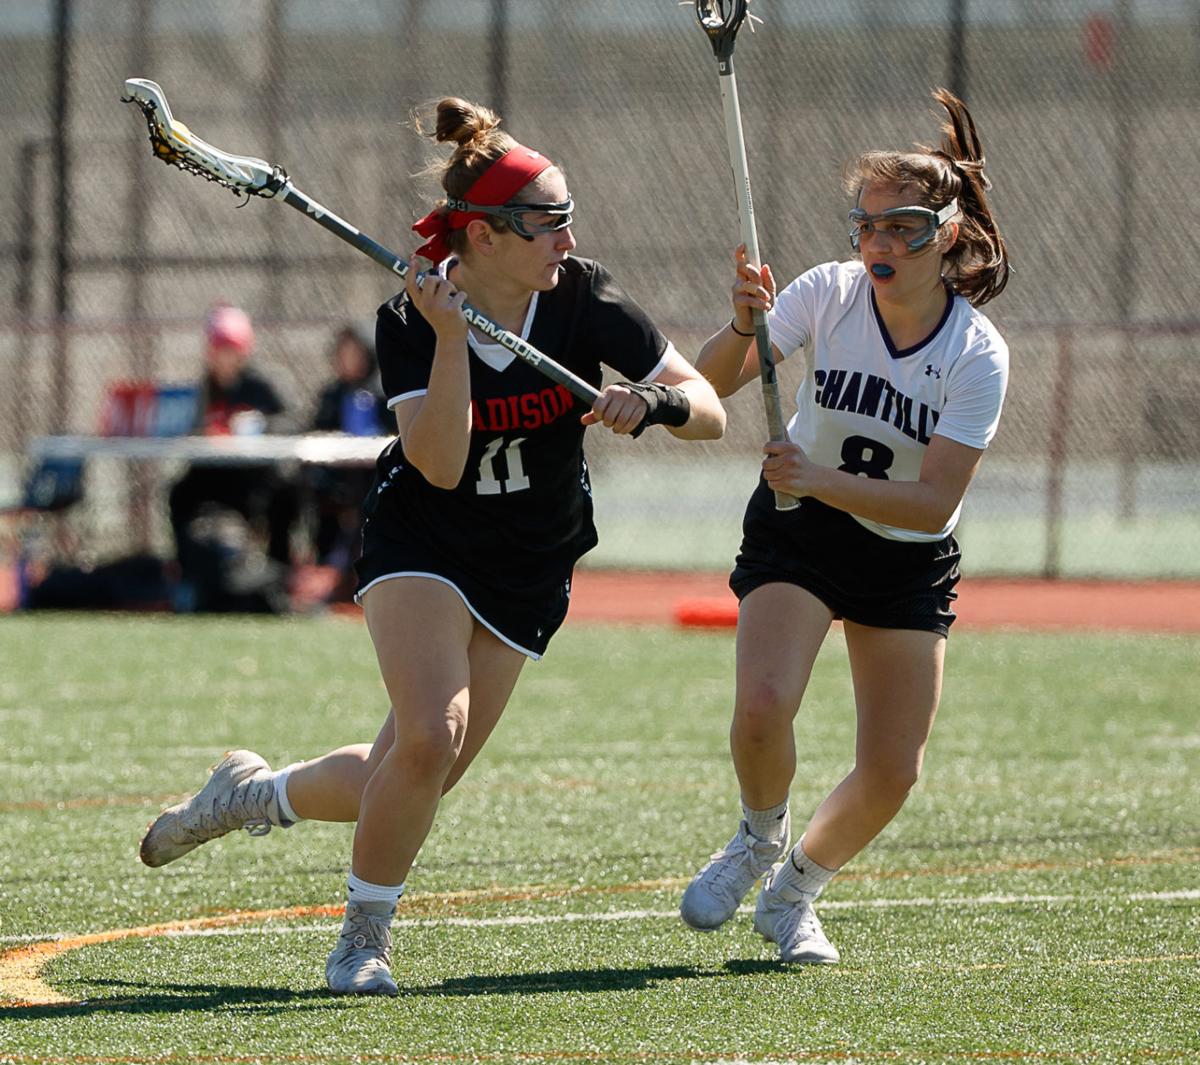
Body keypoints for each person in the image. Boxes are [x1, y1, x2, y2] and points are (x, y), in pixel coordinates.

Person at [138, 97, 726, 995]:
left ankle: (249, 796)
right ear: (484, 236)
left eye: (570, 222)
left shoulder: (585, 299)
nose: (566, 241)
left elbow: (711, 412)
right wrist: (452, 338)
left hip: (532, 556)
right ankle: (360, 941)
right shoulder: (411, 317)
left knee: (413, 772)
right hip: (426, 535)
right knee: (431, 733)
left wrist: (657, 402)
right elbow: (442, 464)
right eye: (548, 224)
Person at [679, 89, 1010, 965]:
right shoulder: (828, 294)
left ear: (945, 232)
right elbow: (717, 384)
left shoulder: (976, 352)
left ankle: (795, 890)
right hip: (802, 532)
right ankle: (757, 836)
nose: (878, 245)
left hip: (905, 556)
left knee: (894, 769)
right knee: (761, 706)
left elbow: (934, 501)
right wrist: (744, 319)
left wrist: (819, 474)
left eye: (901, 226)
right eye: (865, 226)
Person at [167, 304, 299, 611]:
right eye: (219, 350)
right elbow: (192, 429)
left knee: (287, 488)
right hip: (214, 473)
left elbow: (292, 423)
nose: (224, 358)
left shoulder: (263, 384)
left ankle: (280, 574)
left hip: (255, 475)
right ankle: (187, 577)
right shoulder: (204, 388)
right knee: (179, 493)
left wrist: (259, 424)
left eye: (231, 350)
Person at [305, 323, 389, 596]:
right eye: (342, 352)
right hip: (336, 475)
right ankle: (325, 570)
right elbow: (316, 430)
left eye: (353, 352)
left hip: (375, 474)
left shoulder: (382, 390)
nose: (347, 359)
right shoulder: (333, 393)